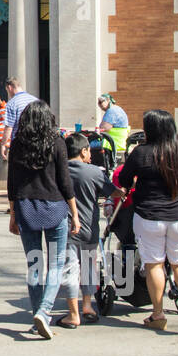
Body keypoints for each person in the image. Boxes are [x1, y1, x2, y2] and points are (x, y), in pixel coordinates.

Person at [116, 109, 178, 332]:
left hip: (148, 217)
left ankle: (157, 313)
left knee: (154, 264)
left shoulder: (141, 152)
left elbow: (124, 179)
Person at [6, 100, 79, 339]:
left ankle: (39, 311)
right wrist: (75, 214)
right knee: (56, 264)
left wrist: (13, 213)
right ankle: (45, 311)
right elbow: (65, 182)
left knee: (34, 264)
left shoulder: (17, 144)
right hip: (55, 206)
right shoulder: (57, 142)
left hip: (27, 206)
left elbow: (12, 184)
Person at [59, 132, 118, 327]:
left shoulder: (58, 170)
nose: (90, 155)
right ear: (83, 151)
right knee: (89, 267)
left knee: (69, 270)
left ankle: (73, 313)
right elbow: (112, 191)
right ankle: (87, 306)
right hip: (89, 228)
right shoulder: (94, 172)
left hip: (65, 228)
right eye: (89, 151)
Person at [0, 77, 38, 161]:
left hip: (20, 145)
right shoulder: (36, 101)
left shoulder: (12, 103)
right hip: (36, 142)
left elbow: (9, 127)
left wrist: (3, 144)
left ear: (9, 87)